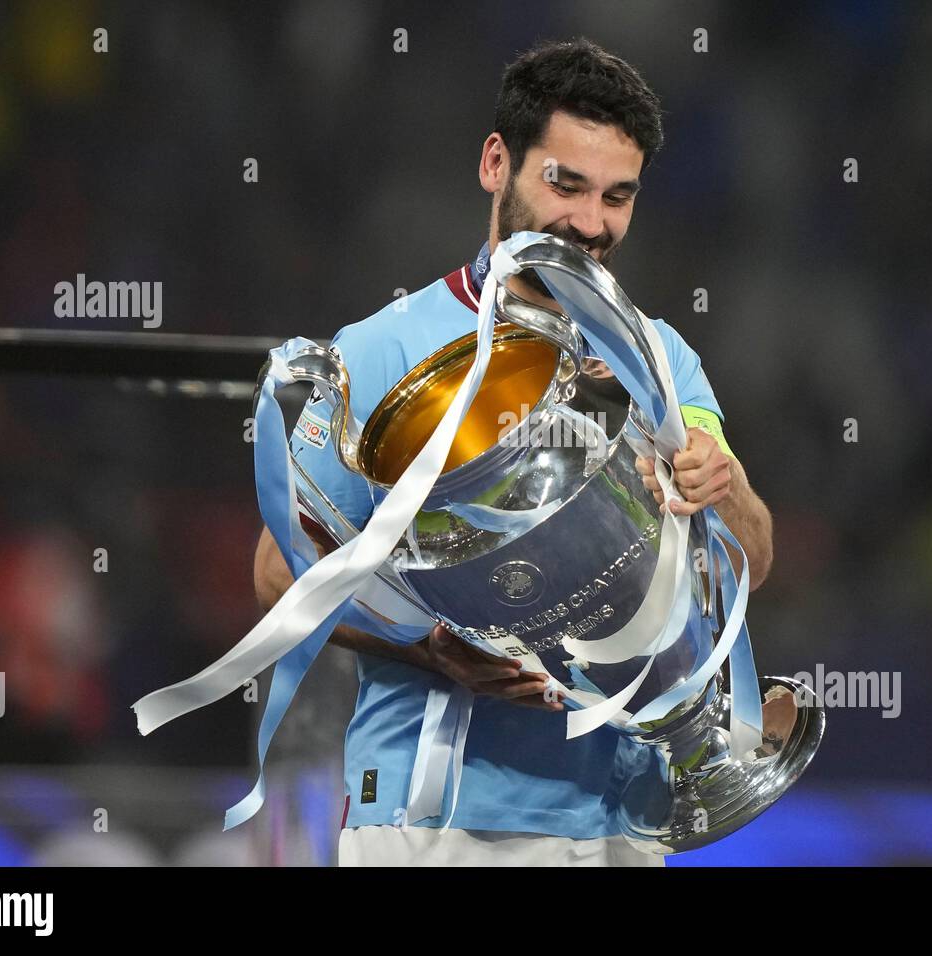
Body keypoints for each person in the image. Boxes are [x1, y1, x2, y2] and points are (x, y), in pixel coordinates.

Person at [254, 37, 774, 867]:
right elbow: (280, 571)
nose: (589, 223)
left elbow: (746, 558)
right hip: (436, 816)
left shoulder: (660, 357)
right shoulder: (386, 349)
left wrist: (729, 485)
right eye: (564, 184)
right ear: (497, 163)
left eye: (617, 197)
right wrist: (430, 648)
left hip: (624, 817)